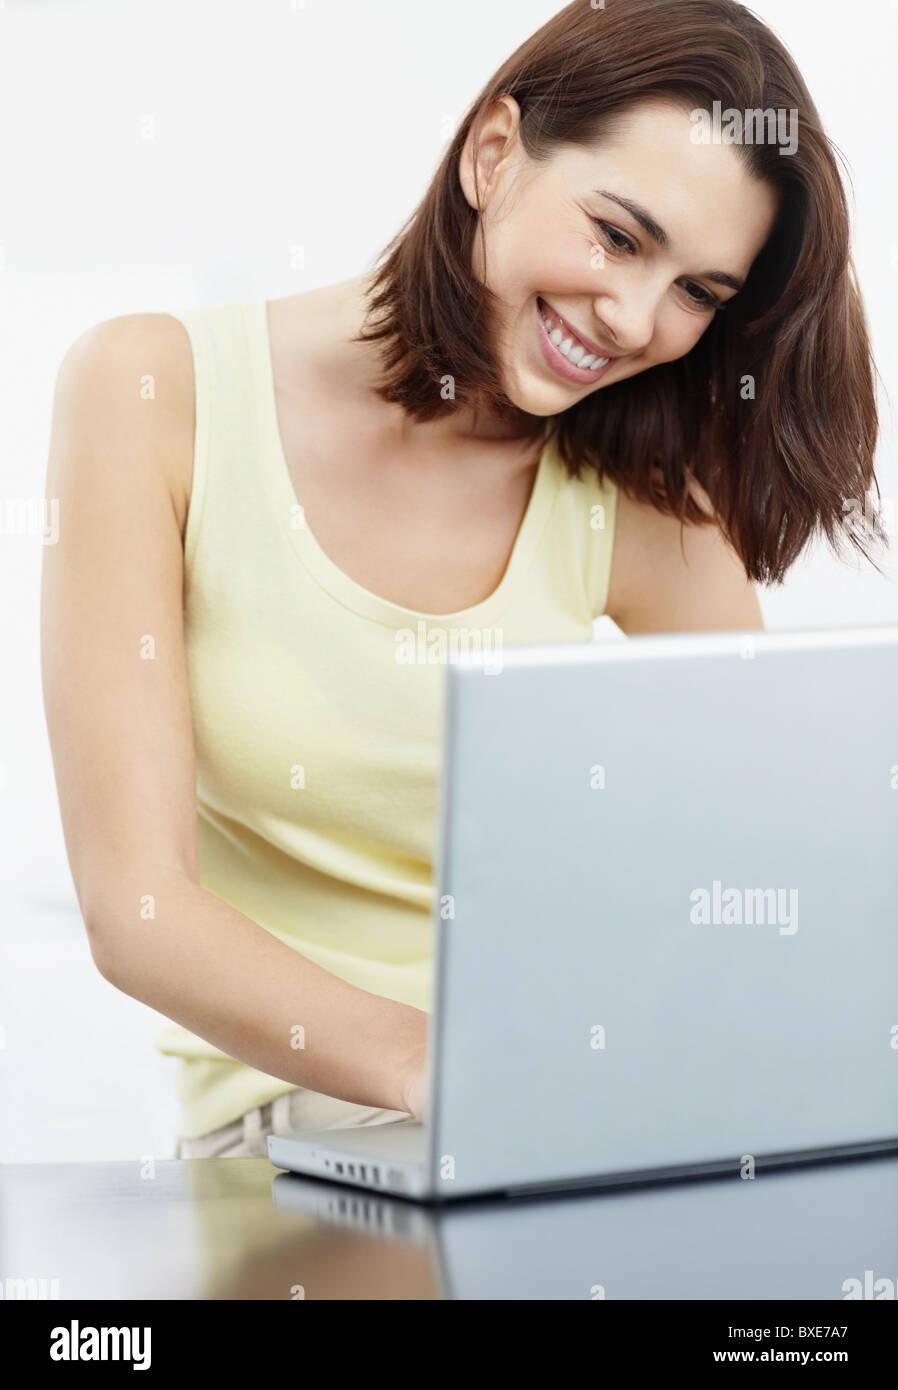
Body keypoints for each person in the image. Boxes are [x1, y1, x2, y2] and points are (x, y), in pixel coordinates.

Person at [41, 0, 879, 1158]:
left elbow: (772, 863)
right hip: (309, 1131)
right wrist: (466, 1072)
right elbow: (136, 913)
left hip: (569, 1117)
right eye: (619, 237)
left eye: (698, 293)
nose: (637, 319)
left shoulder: (636, 489)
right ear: (494, 152)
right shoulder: (152, 391)